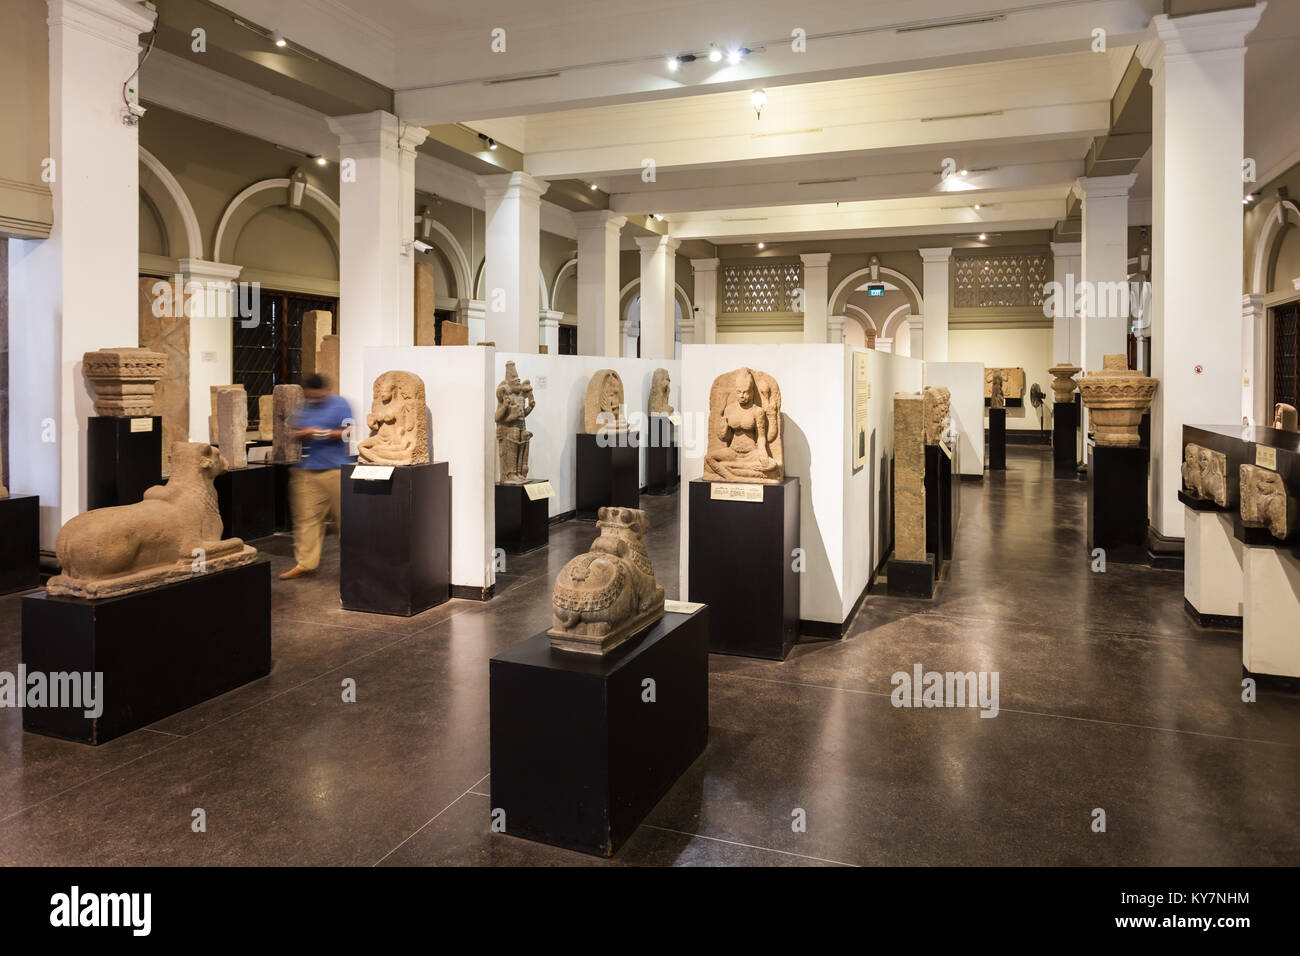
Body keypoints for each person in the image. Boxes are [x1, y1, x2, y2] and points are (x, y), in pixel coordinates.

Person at [280, 373, 353, 580]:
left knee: (345, 520)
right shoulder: (303, 407)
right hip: (307, 470)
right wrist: (302, 434)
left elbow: (348, 434)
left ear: (326, 391)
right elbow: (293, 433)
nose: (315, 400)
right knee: (306, 520)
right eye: (312, 397)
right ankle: (306, 563)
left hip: (336, 470)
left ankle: (352, 563)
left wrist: (320, 433)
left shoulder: (341, 405)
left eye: (319, 396)